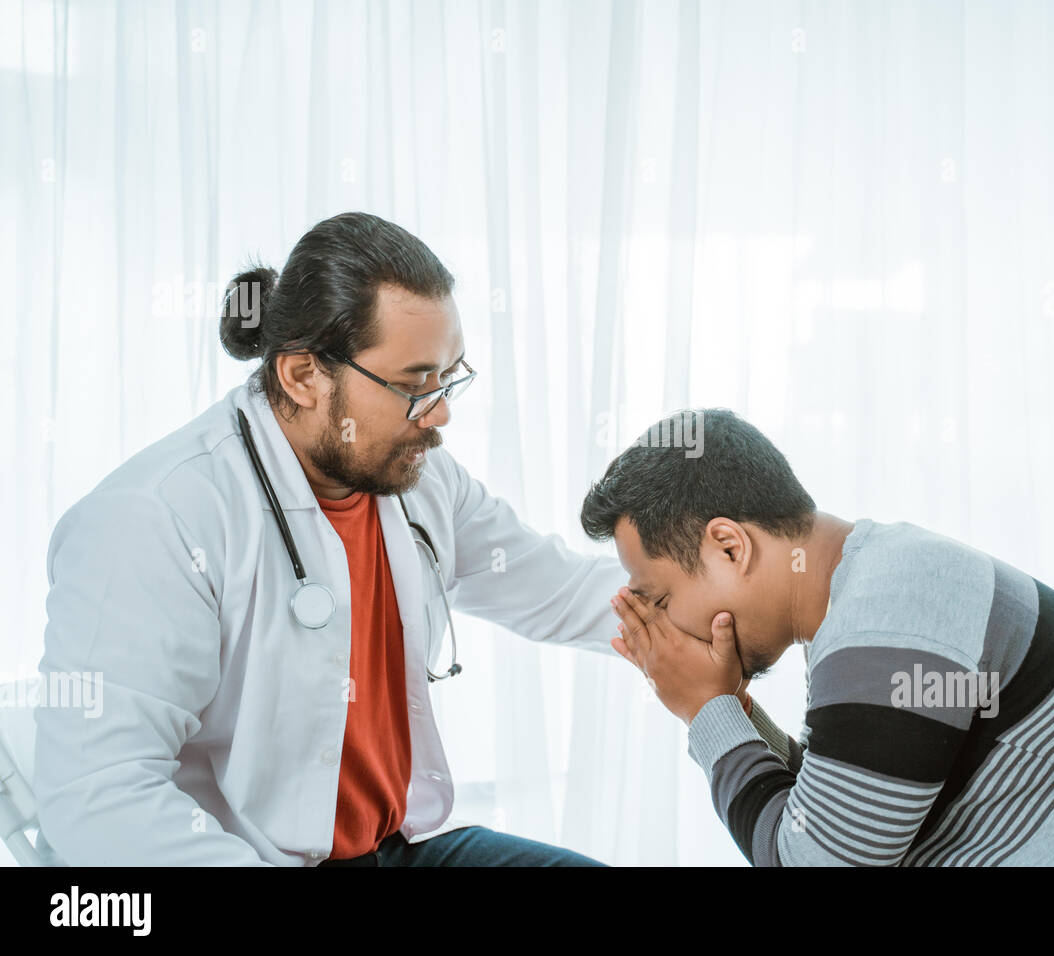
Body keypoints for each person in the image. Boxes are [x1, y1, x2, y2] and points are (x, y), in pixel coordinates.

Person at [34, 211, 618, 866]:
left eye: (450, 376)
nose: (442, 412)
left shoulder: (416, 477)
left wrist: (717, 612)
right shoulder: (156, 520)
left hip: (390, 847)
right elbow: (97, 796)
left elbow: (561, 591)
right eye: (412, 384)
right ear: (304, 376)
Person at [581, 407, 1054, 866]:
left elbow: (815, 863)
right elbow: (839, 815)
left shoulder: (887, 617)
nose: (665, 630)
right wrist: (731, 708)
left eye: (662, 600)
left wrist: (708, 713)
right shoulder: (880, 582)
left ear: (729, 546)